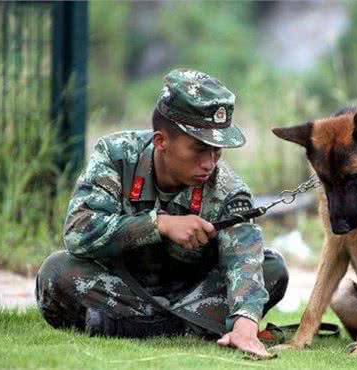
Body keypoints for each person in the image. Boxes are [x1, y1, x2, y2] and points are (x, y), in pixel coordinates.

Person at [36, 68, 288, 359]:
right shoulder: (116, 156)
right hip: (122, 285)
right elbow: (78, 232)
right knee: (56, 272)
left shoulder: (228, 189)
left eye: (217, 151)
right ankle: (188, 327)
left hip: (194, 291)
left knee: (272, 268)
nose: (210, 163)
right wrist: (160, 225)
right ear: (161, 142)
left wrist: (245, 323)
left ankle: (126, 326)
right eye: (199, 149)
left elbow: (244, 257)